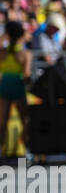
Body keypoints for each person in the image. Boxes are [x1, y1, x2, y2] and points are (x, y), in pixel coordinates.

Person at [0, 20, 30, 153]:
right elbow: (27, 74)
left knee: (2, 122)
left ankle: (1, 150)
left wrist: (5, 36)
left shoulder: (2, 52)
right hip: (18, 85)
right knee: (25, 120)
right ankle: (28, 150)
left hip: (5, 85)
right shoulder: (25, 54)